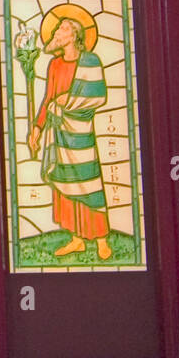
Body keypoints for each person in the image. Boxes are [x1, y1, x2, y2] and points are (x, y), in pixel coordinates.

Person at [28, 14, 112, 260]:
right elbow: (48, 97)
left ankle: (101, 240)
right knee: (64, 186)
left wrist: (70, 101)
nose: (58, 32)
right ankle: (76, 239)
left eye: (63, 29)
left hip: (81, 132)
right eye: (57, 29)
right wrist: (37, 128)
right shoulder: (54, 65)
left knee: (89, 184)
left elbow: (99, 96)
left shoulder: (90, 61)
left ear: (75, 34)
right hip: (58, 132)